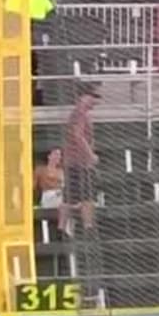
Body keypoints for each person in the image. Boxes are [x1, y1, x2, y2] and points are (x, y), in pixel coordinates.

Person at [62, 91, 100, 237]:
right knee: (87, 196)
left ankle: (63, 228)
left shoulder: (77, 114)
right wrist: (90, 155)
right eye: (93, 100)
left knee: (69, 196)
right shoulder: (80, 114)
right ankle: (88, 228)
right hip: (79, 162)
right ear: (84, 97)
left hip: (73, 161)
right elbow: (78, 135)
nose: (94, 105)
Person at [36, 148, 65, 214]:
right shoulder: (41, 169)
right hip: (48, 195)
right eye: (56, 154)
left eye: (60, 155)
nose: (59, 156)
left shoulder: (61, 171)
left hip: (61, 195)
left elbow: (64, 185)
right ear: (49, 156)